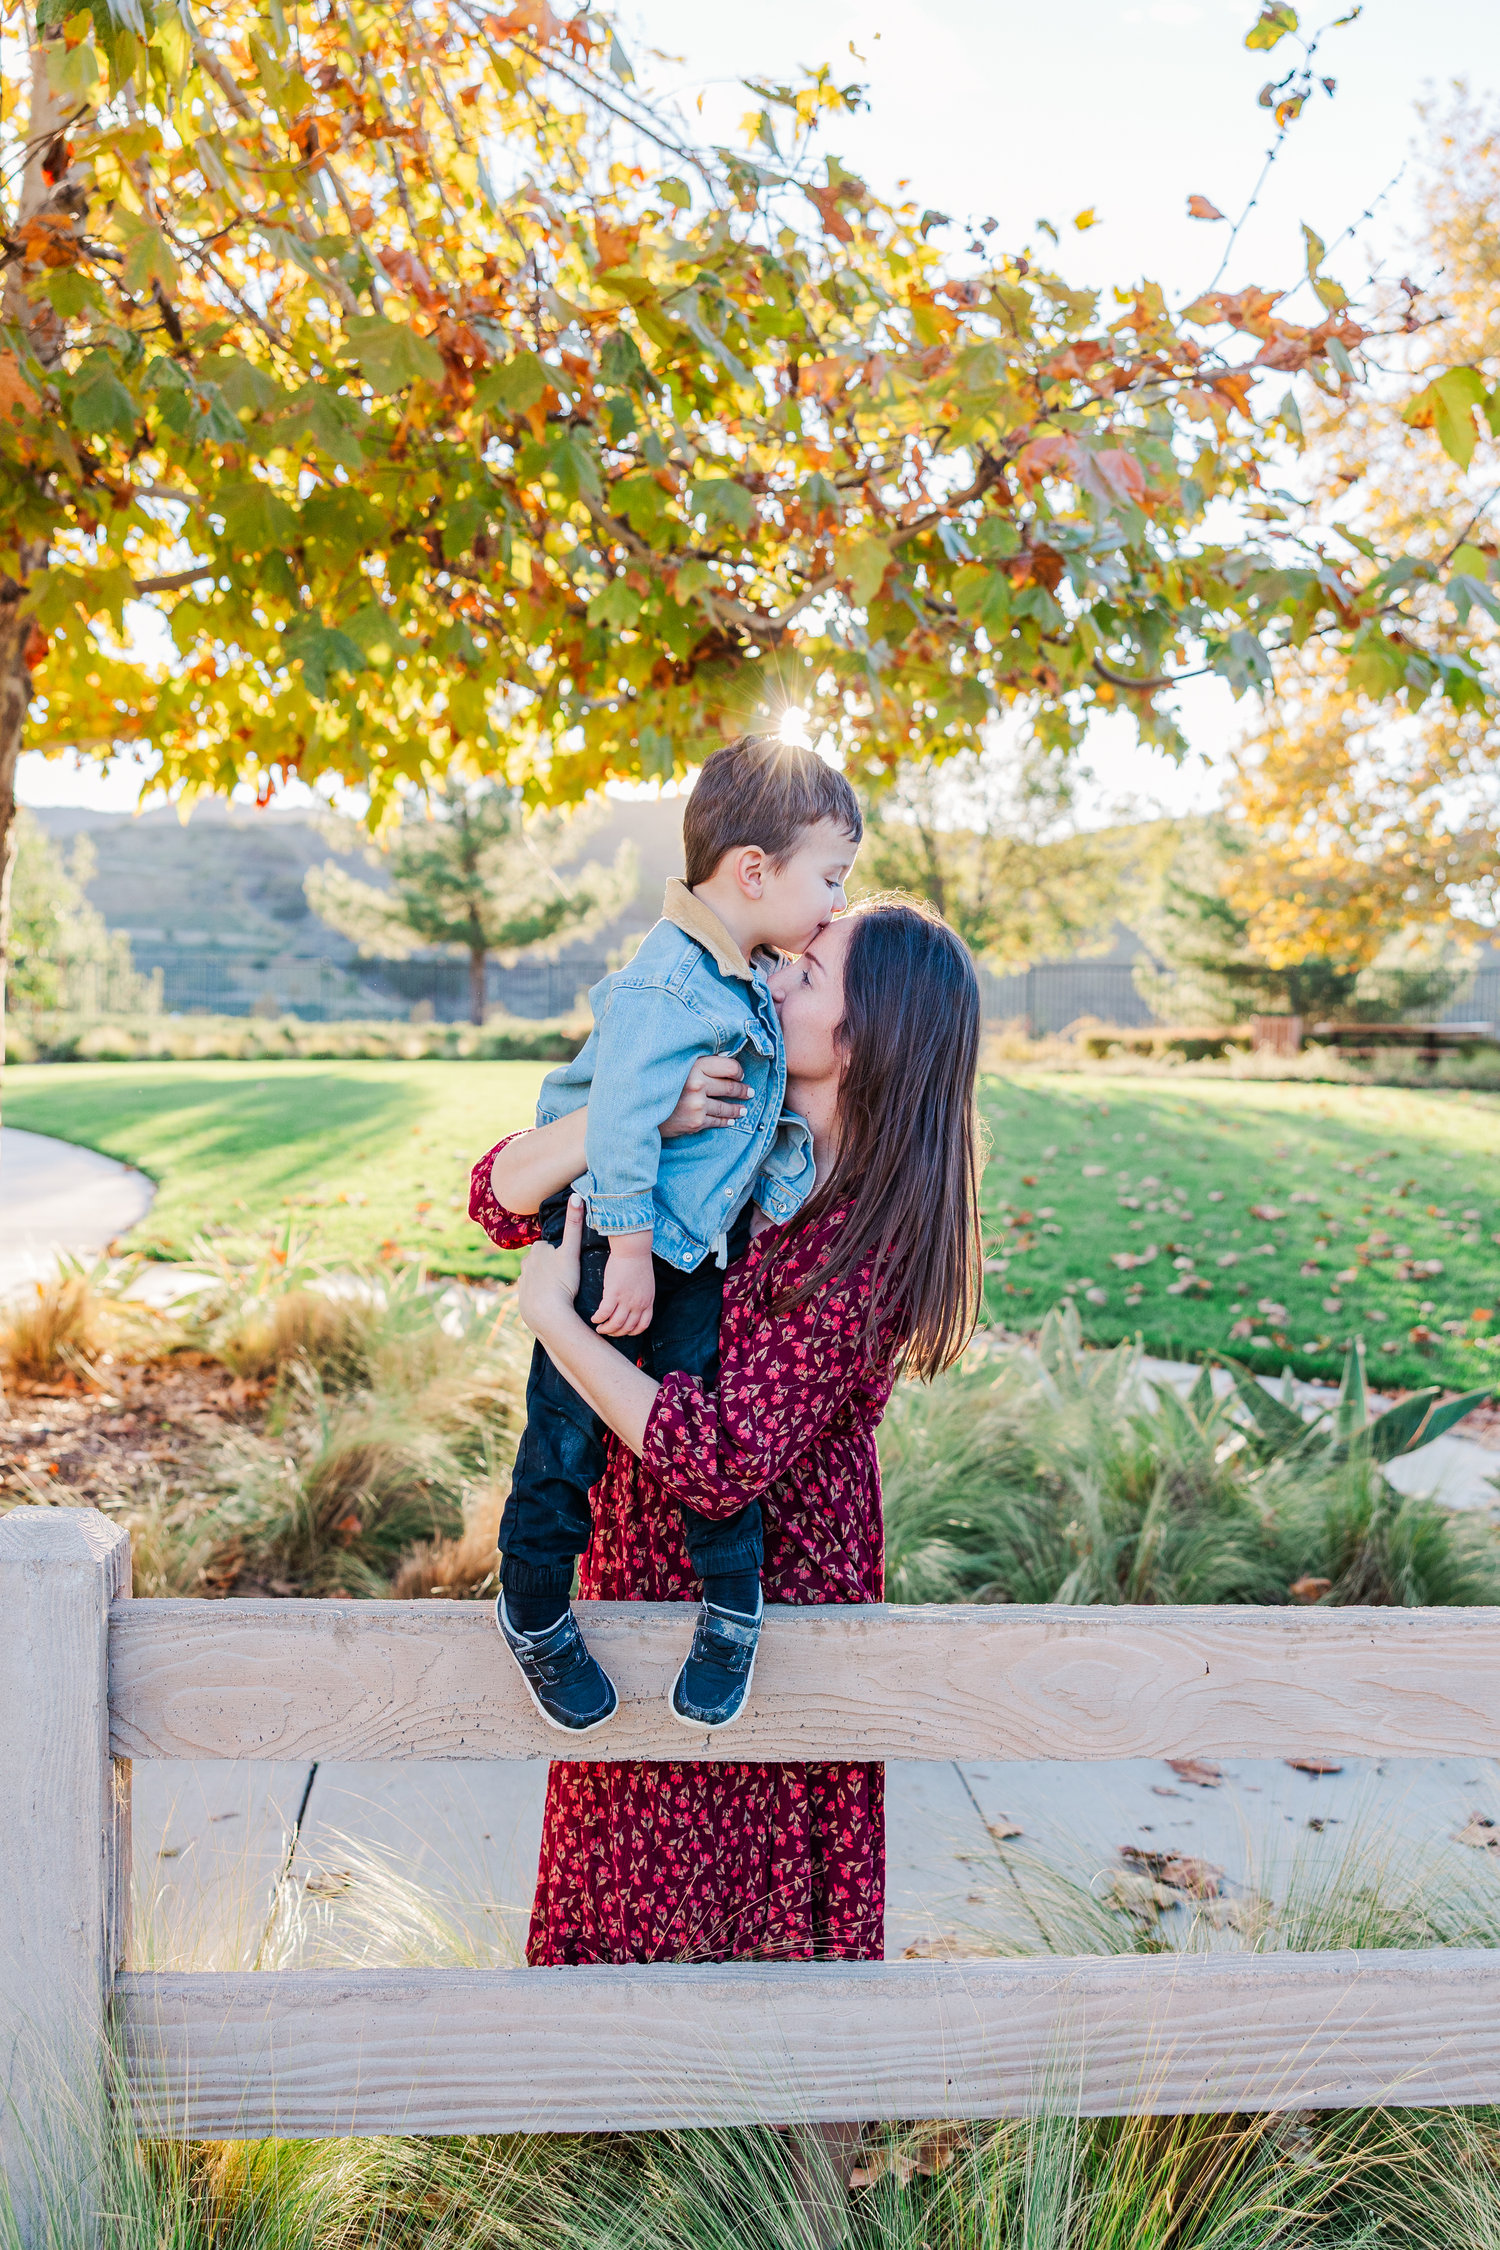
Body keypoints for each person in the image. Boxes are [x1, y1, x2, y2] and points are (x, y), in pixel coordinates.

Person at [468, 894, 982, 1972]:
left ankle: (765, 2144)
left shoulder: (866, 1235)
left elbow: (721, 1456)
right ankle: (612, 2134)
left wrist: (558, 1326)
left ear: (865, 1037)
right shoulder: (735, 1132)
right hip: (638, 1565)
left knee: (755, 1913)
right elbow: (502, 1195)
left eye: (808, 974)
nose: (774, 977)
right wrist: (633, 1112)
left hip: (773, 1597)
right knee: (625, 1888)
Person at [494, 736, 862, 1739]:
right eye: (830, 878)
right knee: (561, 1444)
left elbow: (763, 1126)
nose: (833, 901)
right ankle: (530, 1607)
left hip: (686, 1254)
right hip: (617, 1249)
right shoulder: (675, 984)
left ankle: (731, 1608)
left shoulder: (742, 973)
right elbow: (614, 1120)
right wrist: (623, 1252)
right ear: (754, 870)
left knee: (695, 1415)